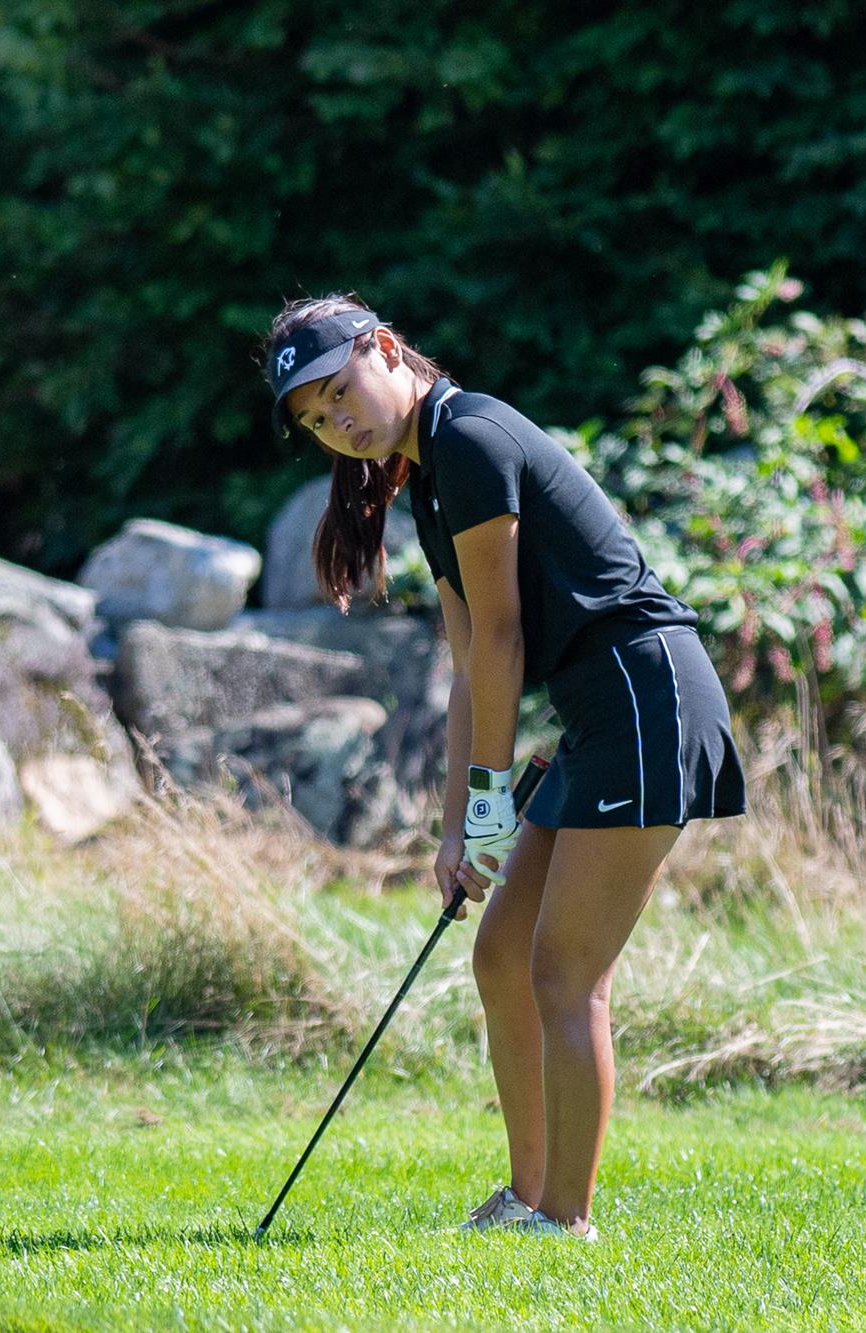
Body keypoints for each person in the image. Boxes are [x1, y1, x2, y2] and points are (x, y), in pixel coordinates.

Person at [263, 296, 748, 1243]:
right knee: (500, 958)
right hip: (599, 710)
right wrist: (457, 829)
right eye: (318, 419)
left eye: (341, 392)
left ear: (387, 350)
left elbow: (505, 638)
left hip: (645, 697)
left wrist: (490, 800)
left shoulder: (474, 438)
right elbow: (465, 668)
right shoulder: (430, 476)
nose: (341, 424)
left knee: (565, 976)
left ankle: (565, 1219)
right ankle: (526, 1196)